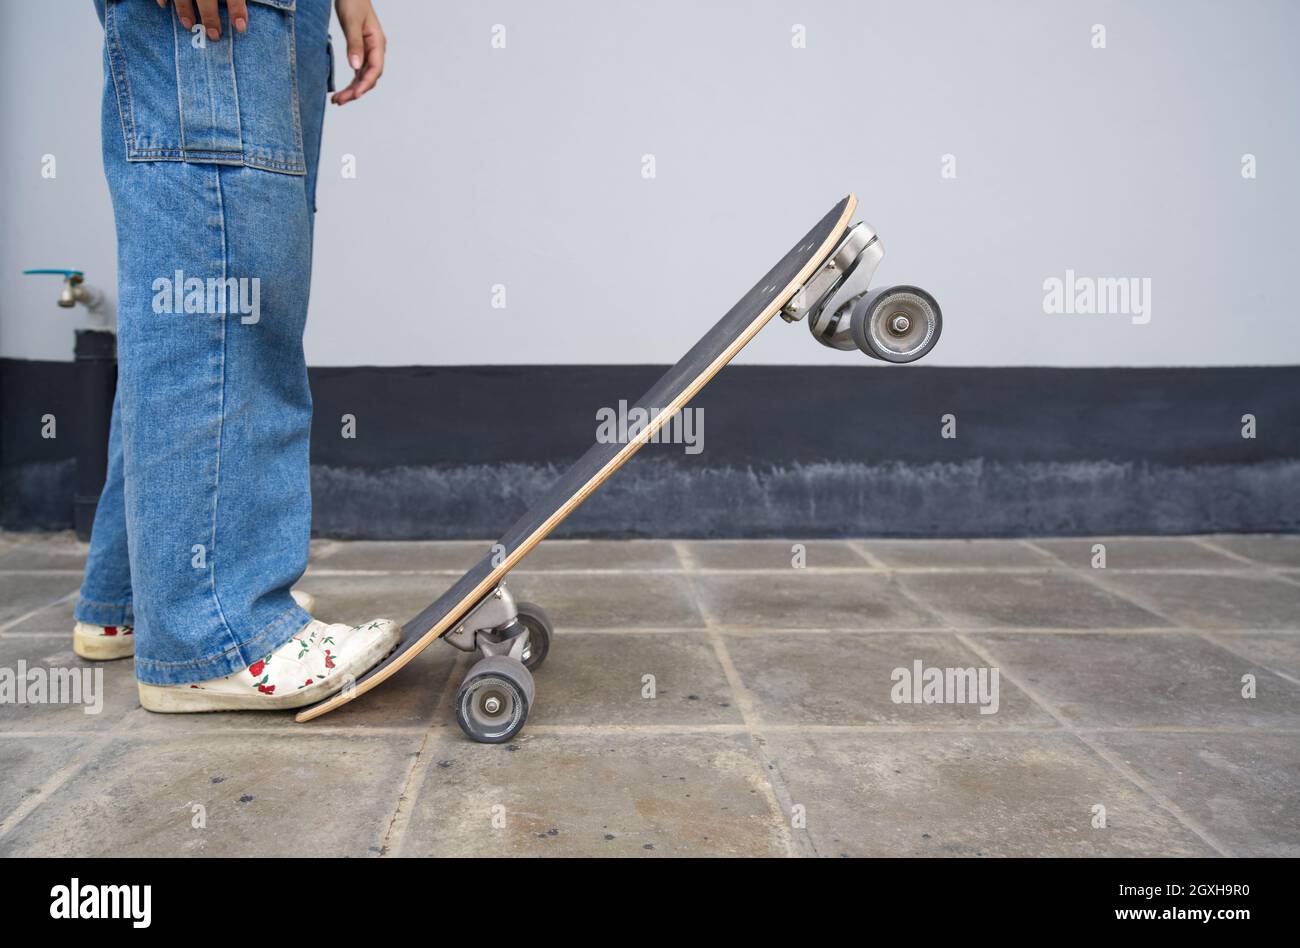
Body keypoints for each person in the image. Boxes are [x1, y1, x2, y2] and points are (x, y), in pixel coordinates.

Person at [74, 0, 399, 711]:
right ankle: (215, 637)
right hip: (228, 21)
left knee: (201, 292)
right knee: (222, 289)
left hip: (276, 24)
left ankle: (130, 597)